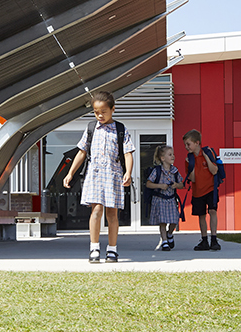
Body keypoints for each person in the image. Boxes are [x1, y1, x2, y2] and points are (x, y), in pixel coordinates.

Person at [63, 91, 135, 263]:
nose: (100, 115)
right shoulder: (91, 129)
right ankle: (94, 248)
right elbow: (82, 152)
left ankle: (112, 250)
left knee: (112, 214)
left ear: (113, 109)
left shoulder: (120, 129)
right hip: (94, 175)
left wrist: (128, 172)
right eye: (96, 112)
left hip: (113, 175)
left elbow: (128, 153)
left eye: (103, 111)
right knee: (96, 211)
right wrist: (70, 173)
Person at [183, 129, 222, 250]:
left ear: (197, 143)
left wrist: (207, 158)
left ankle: (214, 239)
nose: (186, 147)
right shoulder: (189, 159)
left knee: (212, 212)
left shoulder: (208, 153)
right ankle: (204, 239)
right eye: (185, 144)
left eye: (188, 144)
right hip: (197, 191)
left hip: (211, 189)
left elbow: (214, 171)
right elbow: (192, 179)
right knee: (201, 215)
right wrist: (192, 165)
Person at [143, 143, 184, 250]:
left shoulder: (175, 171)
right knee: (162, 221)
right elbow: (148, 184)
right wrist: (160, 186)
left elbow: (182, 184)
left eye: (173, 154)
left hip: (171, 199)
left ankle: (169, 233)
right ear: (162, 158)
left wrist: (176, 185)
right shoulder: (157, 171)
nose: (173, 156)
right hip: (159, 199)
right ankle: (164, 241)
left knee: (174, 220)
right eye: (170, 154)